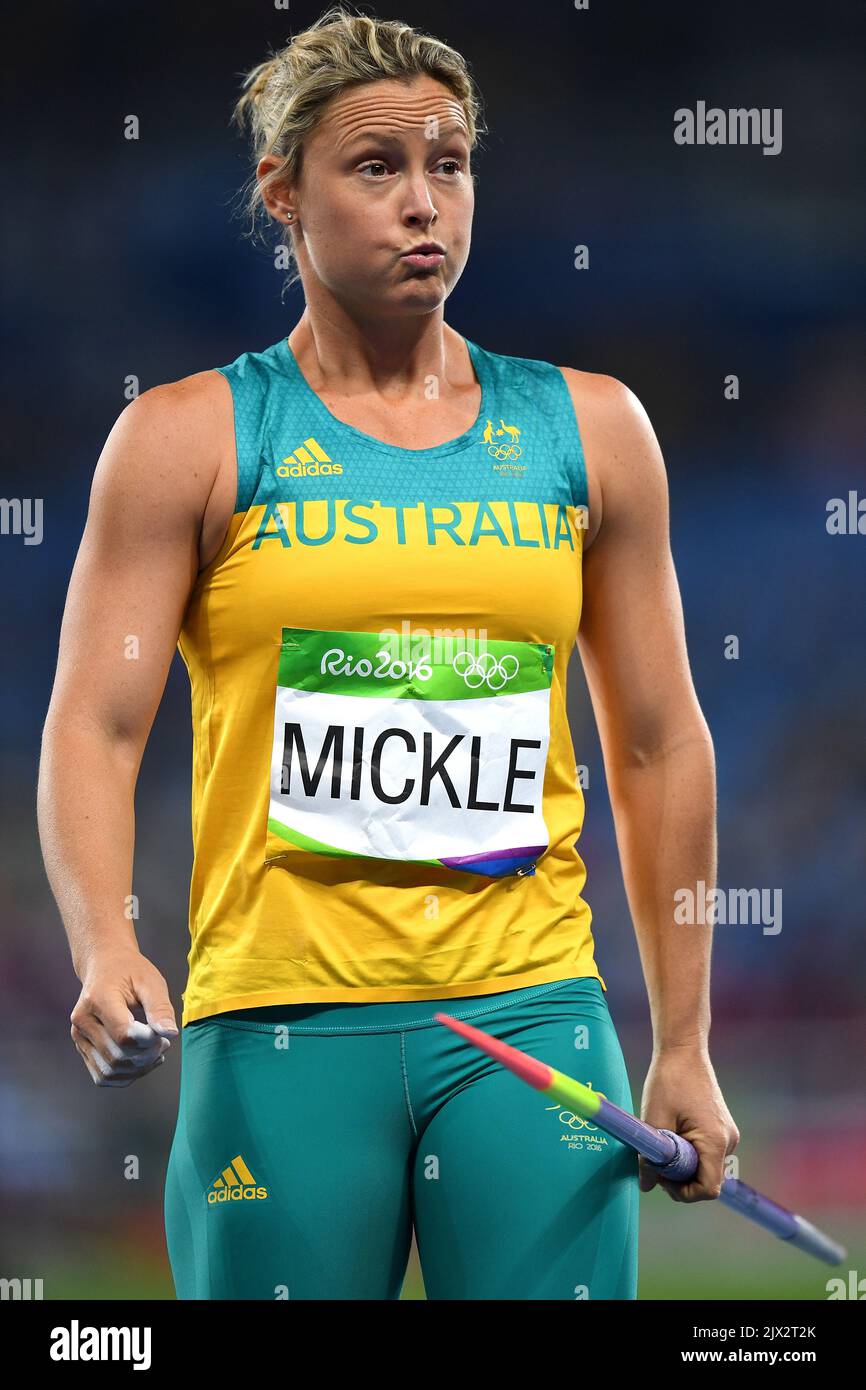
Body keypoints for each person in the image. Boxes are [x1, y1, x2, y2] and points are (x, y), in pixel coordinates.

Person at [38, 6, 738, 1300]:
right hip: (280, 1032)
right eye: (376, 169)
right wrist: (103, 942)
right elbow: (94, 724)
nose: (425, 204)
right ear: (280, 191)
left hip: (531, 1021)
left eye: (449, 164)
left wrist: (682, 1041)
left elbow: (655, 741)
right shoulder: (189, 440)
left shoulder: (589, 430)